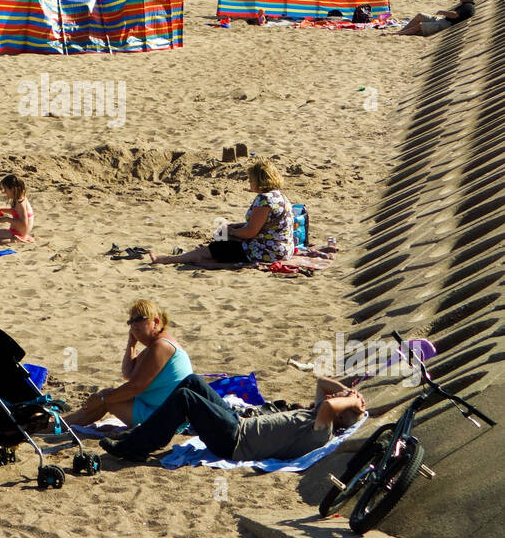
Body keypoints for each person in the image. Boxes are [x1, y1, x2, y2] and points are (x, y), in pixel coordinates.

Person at [99, 372, 366, 463]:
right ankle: (143, 436)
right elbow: (321, 383)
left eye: (338, 402)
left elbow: (329, 408)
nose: (331, 399)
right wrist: (348, 392)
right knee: (192, 383)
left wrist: (353, 402)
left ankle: (134, 447)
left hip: (235, 441)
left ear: (339, 415)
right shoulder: (316, 415)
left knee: (186, 399)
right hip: (237, 424)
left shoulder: (322, 428)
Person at [65, 299, 193, 428]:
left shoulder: (161, 346)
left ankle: (60, 425)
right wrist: (131, 343)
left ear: (156, 322)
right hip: (162, 411)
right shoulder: (155, 346)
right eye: (130, 322)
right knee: (107, 395)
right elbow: (129, 374)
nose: (134, 325)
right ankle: (62, 423)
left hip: (166, 418)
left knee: (106, 399)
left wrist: (102, 400)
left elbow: (136, 386)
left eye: (139, 319)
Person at [148, 157, 294, 268]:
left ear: (260, 180)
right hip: (280, 247)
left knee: (215, 248)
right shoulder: (279, 195)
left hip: (268, 251)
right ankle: (201, 258)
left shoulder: (264, 200)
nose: (250, 183)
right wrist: (234, 226)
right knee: (219, 244)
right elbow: (262, 225)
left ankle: (166, 259)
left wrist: (232, 231)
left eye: (251, 180)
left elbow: (250, 232)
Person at [388, 0, 475, 36]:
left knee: (421, 25)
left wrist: (442, 12)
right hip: (444, 21)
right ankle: (401, 31)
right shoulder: (465, 4)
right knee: (420, 15)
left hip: (446, 24)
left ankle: (399, 33)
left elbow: (455, 15)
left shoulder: (468, 6)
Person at [0, 173, 35, 244]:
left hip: (18, 234)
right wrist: (1, 209)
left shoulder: (20, 203)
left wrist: (6, 219)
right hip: (17, 232)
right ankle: (17, 239)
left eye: (5, 189)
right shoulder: (20, 199)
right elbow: (14, 211)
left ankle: (16, 240)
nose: (4, 192)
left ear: (13, 189)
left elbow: (24, 224)